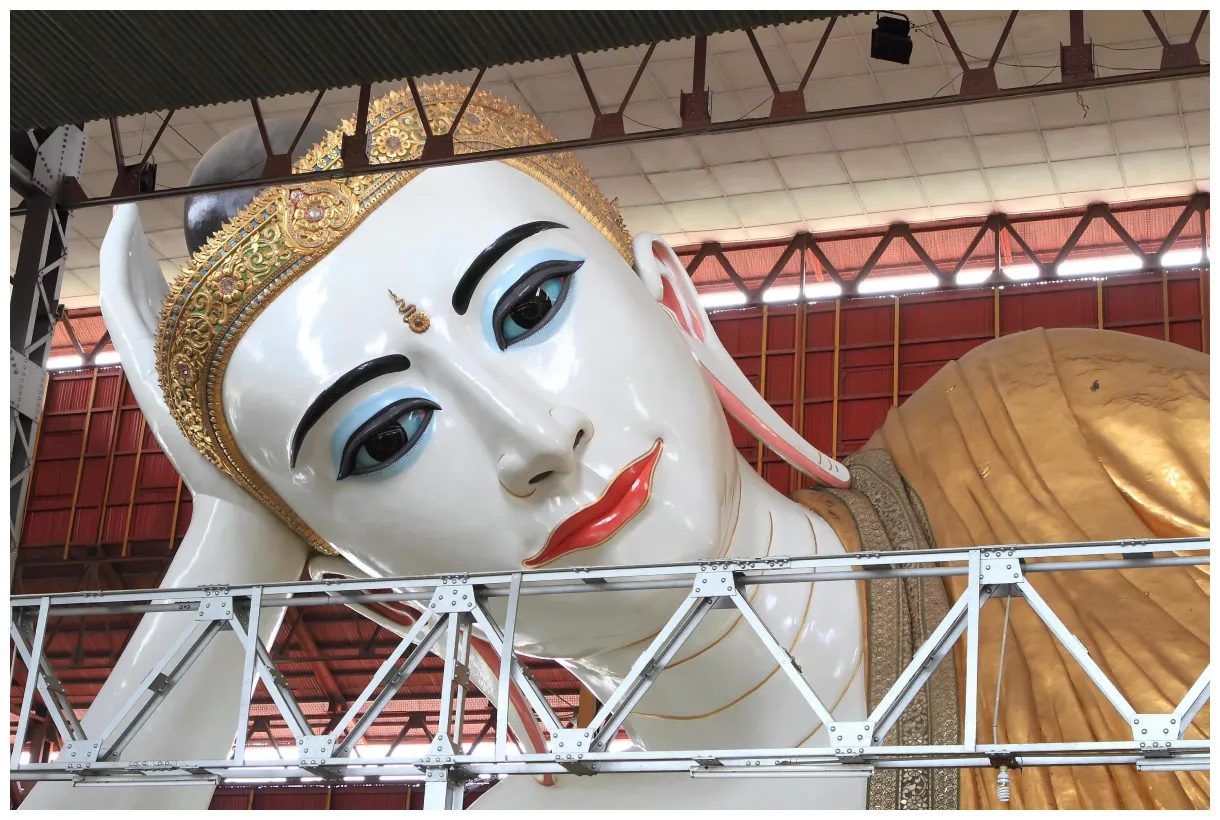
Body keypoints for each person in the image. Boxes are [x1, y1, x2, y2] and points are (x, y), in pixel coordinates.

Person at [22, 84, 1207, 811]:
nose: (533, 439)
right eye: (383, 436)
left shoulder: (1061, 431)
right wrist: (233, 544)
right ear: (343, 562)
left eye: (532, 306)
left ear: (664, 297)